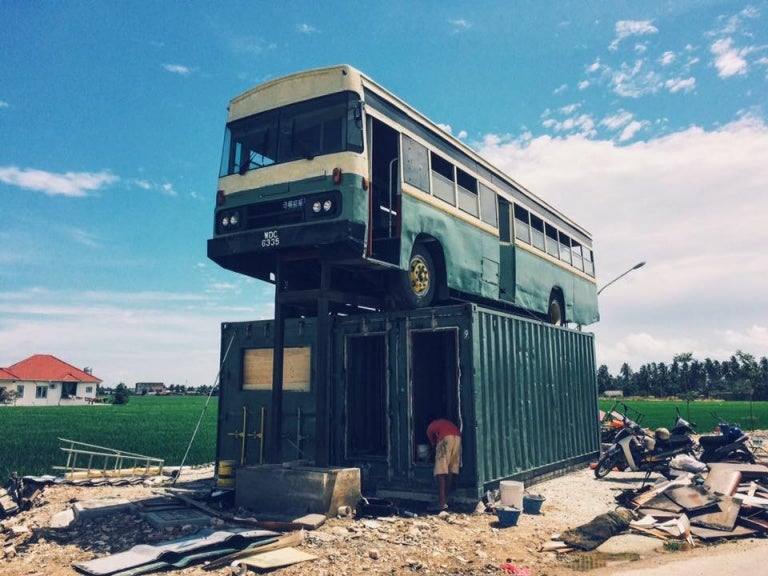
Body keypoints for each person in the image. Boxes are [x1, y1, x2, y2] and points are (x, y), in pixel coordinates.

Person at [426, 417, 461, 510]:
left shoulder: (431, 426)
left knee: (440, 471)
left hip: (446, 438)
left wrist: (433, 447)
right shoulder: (444, 423)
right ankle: (446, 498)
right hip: (457, 437)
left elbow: (430, 435)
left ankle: (441, 502)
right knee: (450, 469)